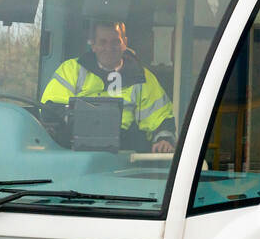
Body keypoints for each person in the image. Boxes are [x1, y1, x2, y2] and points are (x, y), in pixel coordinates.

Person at [42, 21, 175, 153]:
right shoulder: (71, 70)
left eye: (115, 42)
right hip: (75, 155)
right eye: (103, 42)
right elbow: (51, 109)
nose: (109, 48)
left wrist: (164, 139)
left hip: (123, 158)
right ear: (93, 45)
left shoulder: (142, 78)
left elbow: (161, 118)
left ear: (125, 43)